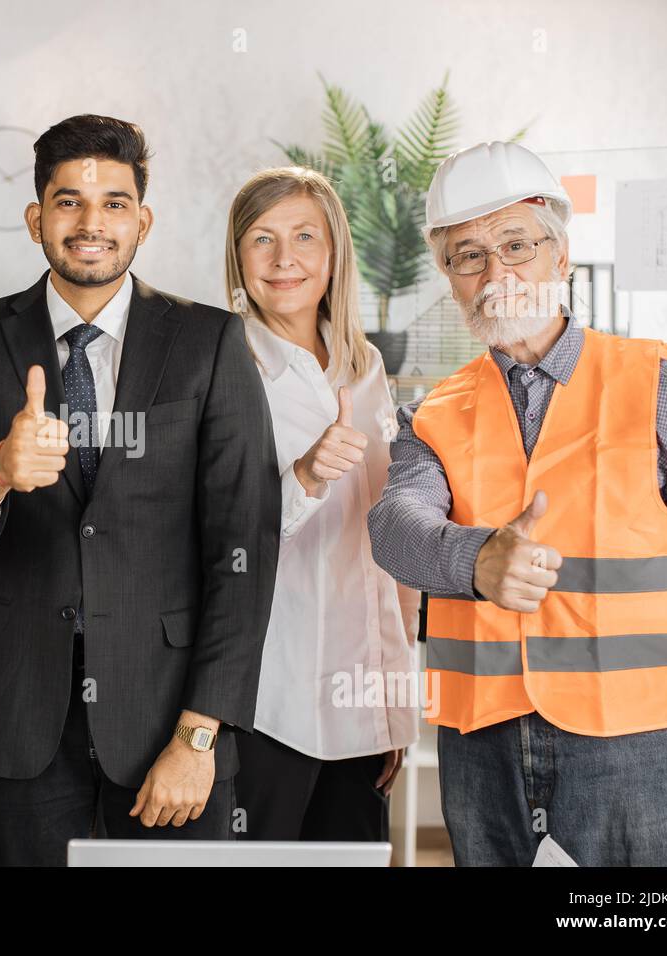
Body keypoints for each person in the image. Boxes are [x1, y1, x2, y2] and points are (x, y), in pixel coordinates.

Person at [0, 114, 280, 865]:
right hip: (11, 715)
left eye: (113, 202)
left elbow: (246, 545)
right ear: (36, 217)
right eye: (68, 200)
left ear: (142, 220)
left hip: (166, 713)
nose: (90, 222)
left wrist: (200, 733)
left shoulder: (209, 342)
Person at [368, 140, 667, 867]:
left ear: (560, 257)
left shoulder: (663, 395)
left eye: (516, 245)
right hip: (483, 751)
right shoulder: (433, 413)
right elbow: (394, 527)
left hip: (642, 752)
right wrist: (477, 560)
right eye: (468, 255)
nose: (496, 272)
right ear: (448, 278)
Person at [226, 167, 420, 842]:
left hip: (361, 702)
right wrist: (304, 476)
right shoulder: (220, 364)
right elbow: (213, 536)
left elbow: (385, 549)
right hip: (266, 704)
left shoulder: (365, 367)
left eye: (305, 236)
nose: (285, 259)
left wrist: (393, 704)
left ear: (333, 251)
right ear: (237, 257)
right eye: (262, 239)